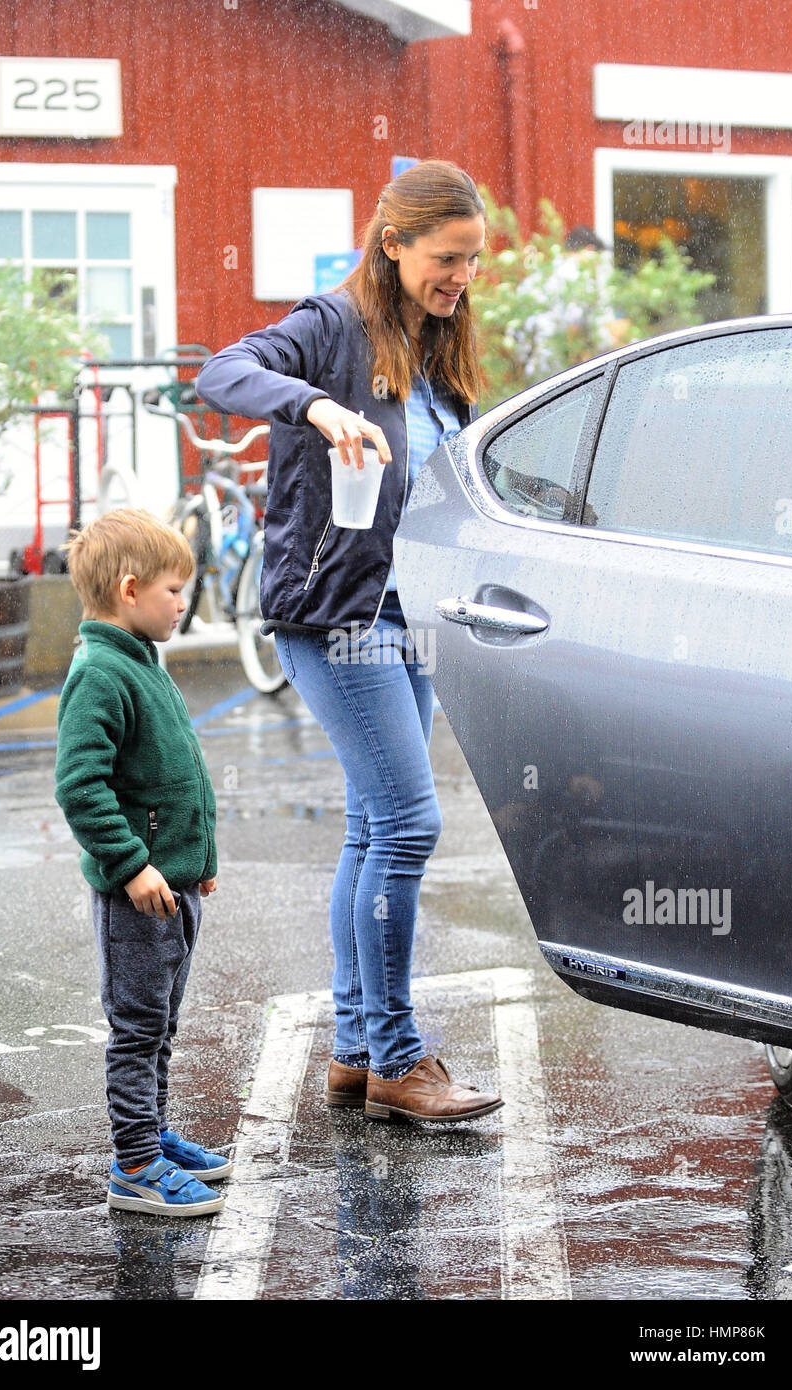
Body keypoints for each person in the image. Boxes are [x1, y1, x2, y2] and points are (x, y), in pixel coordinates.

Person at [197, 159, 503, 1123]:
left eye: (471, 261)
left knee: (375, 826)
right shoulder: (332, 326)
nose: (460, 278)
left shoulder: (438, 343)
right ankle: (400, 1059)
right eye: (447, 259)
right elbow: (223, 371)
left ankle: (356, 1048)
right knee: (409, 824)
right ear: (394, 243)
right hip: (336, 613)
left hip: (412, 617)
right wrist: (315, 404)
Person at [55, 508, 230, 1215]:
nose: (182, 605)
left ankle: (151, 1136)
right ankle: (134, 1166)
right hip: (140, 896)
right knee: (137, 1030)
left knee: (160, 1023)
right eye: (173, 592)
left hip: (174, 886)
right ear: (129, 590)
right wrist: (131, 866)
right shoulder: (100, 673)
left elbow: (178, 771)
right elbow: (79, 785)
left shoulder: (140, 662)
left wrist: (201, 858)